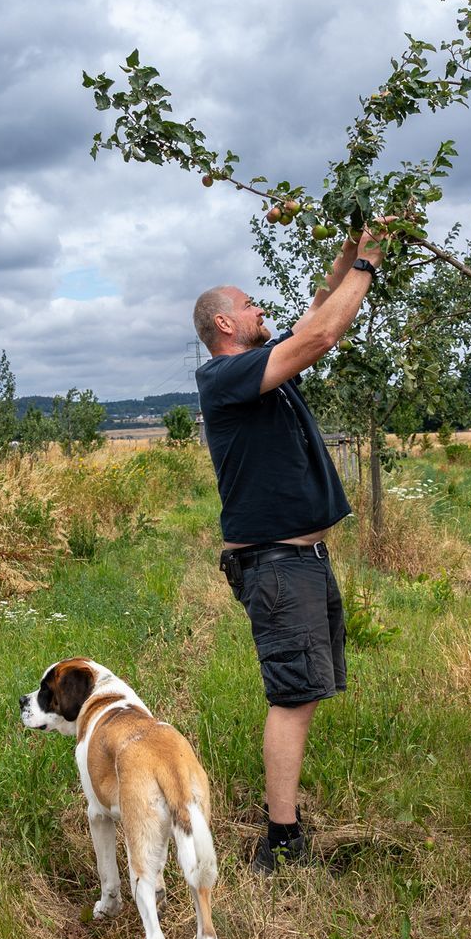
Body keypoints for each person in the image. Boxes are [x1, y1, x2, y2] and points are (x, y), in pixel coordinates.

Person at [191, 217, 394, 872]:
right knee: (291, 698)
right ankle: (280, 846)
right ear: (225, 324)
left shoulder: (257, 371)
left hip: (299, 558)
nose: (259, 310)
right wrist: (365, 265)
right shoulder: (224, 379)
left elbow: (314, 314)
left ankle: (284, 835)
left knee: (301, 694)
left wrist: (353, 247)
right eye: (249, 304)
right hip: (277, 564)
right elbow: (323, 332)